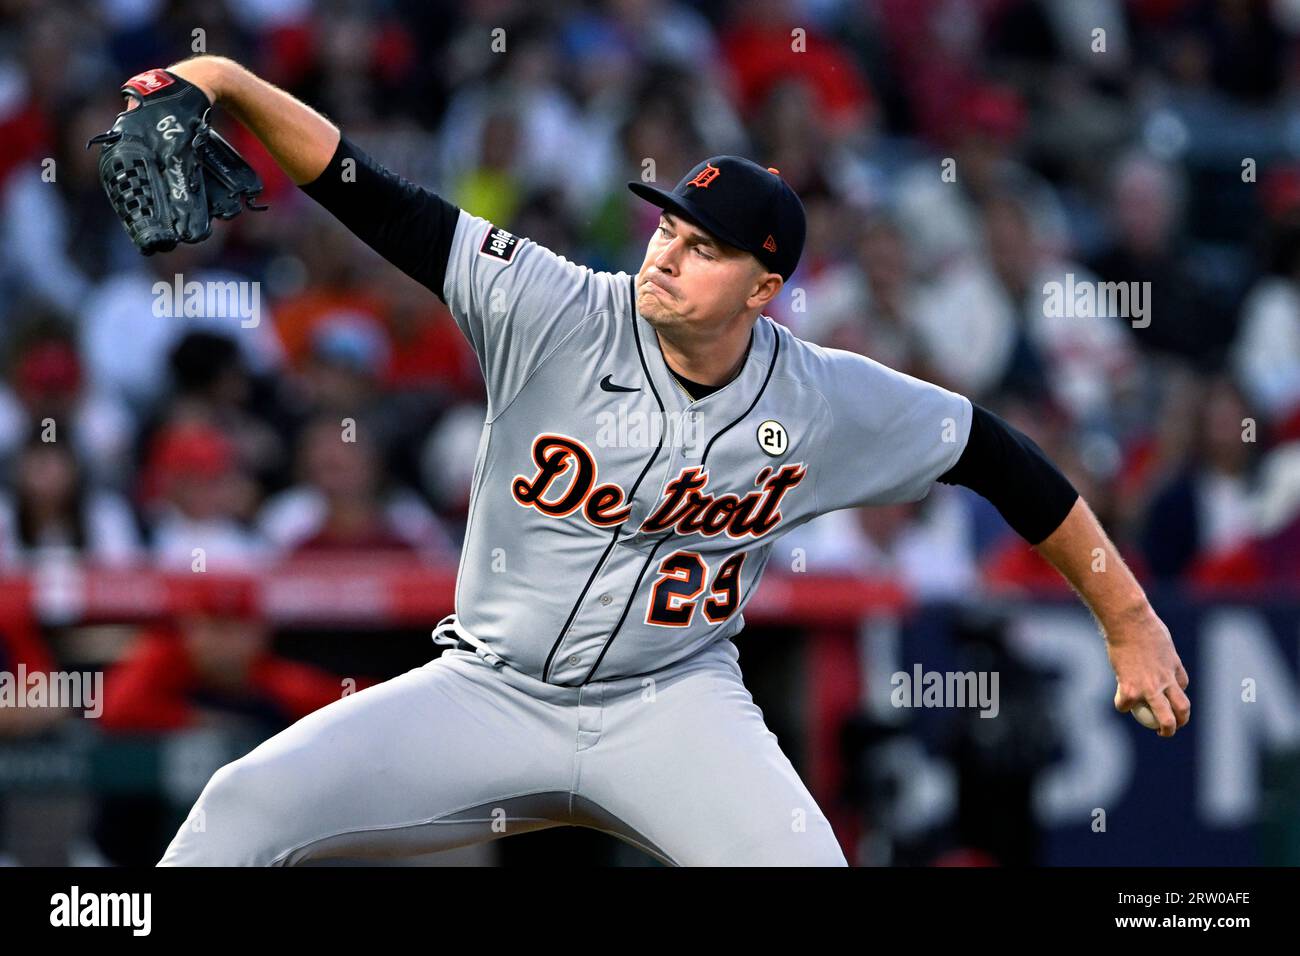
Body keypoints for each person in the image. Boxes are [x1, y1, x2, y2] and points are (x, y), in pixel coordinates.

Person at [133, 55, 1187, 867]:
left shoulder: (823, 397)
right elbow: (372, 193)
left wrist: (1128, 616)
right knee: (242, 805)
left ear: (763, 288)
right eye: (666, 226)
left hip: (673, 703)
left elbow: (998, 456)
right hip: (491, 690)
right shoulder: (552, 305)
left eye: (703, 245)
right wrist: (228, 81)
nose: (666, 251)